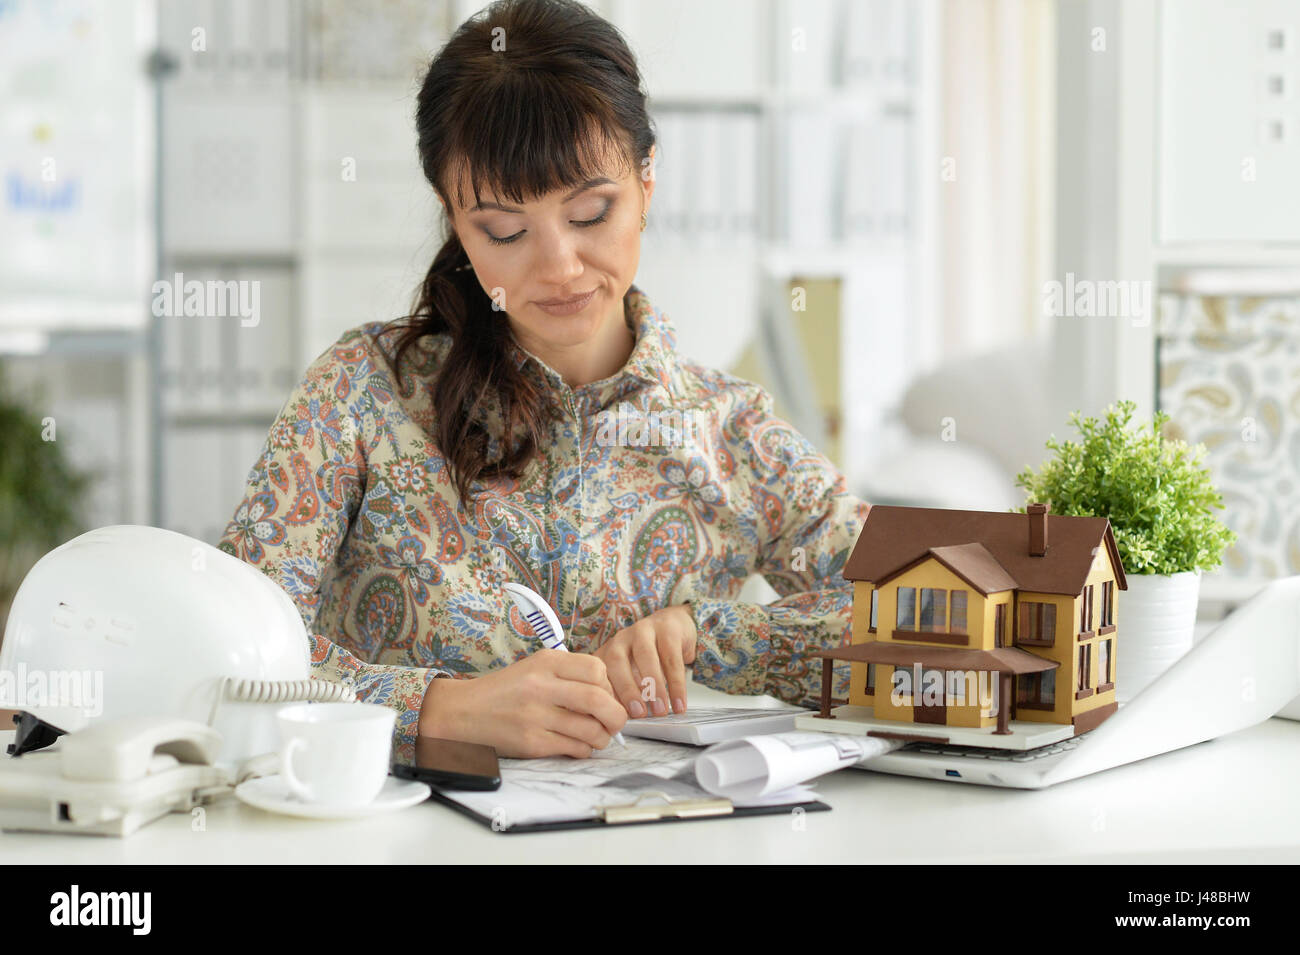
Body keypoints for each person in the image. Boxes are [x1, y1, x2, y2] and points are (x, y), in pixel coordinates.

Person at [218, 0, 870, 762]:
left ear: (647, 181)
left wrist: (713, 633)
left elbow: (924, 620)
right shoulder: (361, 391)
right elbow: (226, 649)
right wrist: (440, 709)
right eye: (504, 230)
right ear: (454, 220)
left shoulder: (733, 431)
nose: (559, 267)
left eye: (592, 212)